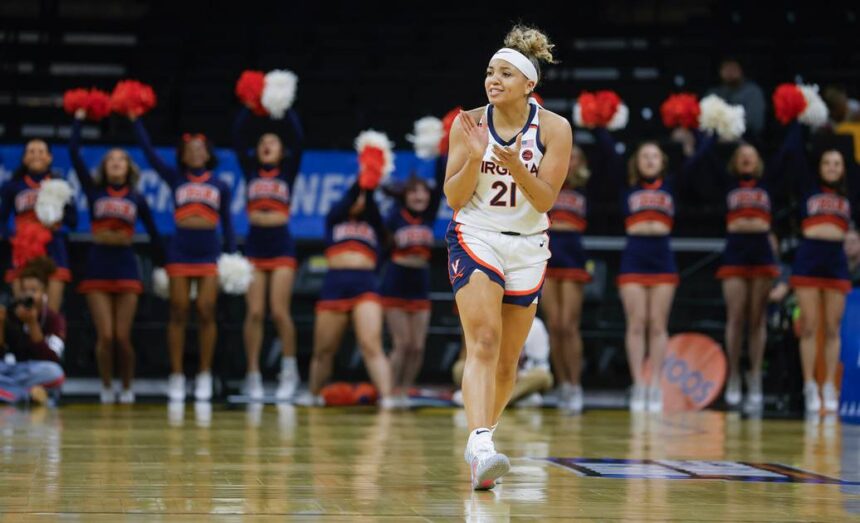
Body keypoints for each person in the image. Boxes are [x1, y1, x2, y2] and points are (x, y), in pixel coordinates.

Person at [444, 25, 571, 489]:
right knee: (483, 339)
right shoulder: (469, 123)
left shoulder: (555, 129)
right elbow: (454, 197)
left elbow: (544, 200)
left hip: (528, 244)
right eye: (489, 72)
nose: (492, 80)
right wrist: (476, 159)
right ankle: (481, 445)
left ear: (528, 84)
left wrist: (517, 166)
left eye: (504, 73)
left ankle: (482, 446)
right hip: (477, 234)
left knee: (507, 361)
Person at [129, 115, 237, 402]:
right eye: (190, 148)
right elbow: (149, 154)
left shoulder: (220, 184)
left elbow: (227, 222)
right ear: (183, 154)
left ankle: (203, 374)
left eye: (201, 147)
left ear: (208, 153)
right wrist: (135, 121)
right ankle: (176, 375)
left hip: (209, 250)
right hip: (180, 249)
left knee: (205, 309)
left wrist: (232, 253)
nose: (195, 151)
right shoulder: (175, 177)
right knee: (177, 311)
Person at [70, 110, 164, 404]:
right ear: (104, 166)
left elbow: (154, 234)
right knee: (106, 337)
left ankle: (127, 387)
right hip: (98, 266)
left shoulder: (137, 198)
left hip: (125, 265)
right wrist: (80, 119)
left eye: (121, 159)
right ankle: (106, 386)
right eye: (111, 159)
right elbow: (73, 153)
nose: (115, 163)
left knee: (123, 338)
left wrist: (164, 263)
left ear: (128, 168)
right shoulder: (94, 191)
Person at [595, 128, 677, 414]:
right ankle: (639, 384)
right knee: (637, 323)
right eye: (645, 156)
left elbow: (698, 162)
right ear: (637, 162)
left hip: (662, 258)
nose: (650, 160)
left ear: (663, 161)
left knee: (657, 324)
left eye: (655, 156)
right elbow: (607, 151)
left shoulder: (670, 186)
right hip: (634, 257)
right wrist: (598, 125)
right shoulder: (627, 187)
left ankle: (655, 384)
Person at [300, 178, 394, 407]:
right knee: (323, 349)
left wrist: (368, 193)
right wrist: (364, 177)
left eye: (364, 199)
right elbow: (348, 200)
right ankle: (313, 395)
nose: (359, 202)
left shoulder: (373, 224)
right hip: (335, 285)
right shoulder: (334, 218)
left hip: (365, 285)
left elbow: (373, 212)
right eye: (356, 198)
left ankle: (388, 399)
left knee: (371, 345)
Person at [232, 104, 304, 401]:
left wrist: (284, 107)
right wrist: (250, 107)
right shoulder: (250, 171)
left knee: (278, 311)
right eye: (262, 143)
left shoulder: (287, 171)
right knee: (255, 312)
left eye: (272, 142)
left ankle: (289, 371)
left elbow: (299, 138)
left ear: (281, 151)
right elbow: (237, 136)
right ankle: (253, 375)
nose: (266, 145)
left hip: (281, 243)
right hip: (255, 243)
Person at [786, 132, 857, 413]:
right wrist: (798, 121)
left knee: (831, 328)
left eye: (837, 164)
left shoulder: (851, 195)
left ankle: (829, 384)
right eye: (827, 163)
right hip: (809, 259)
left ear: (843, 169)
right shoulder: (808, 189)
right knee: (810, 326)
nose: (831, 168)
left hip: (836, 262)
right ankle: (809, 386)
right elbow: (794, 152)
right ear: (819, 167)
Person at [379, 159, 446, 407]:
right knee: (402, 343)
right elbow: (382, 248)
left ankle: (404, 391)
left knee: (417, 346)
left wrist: (442, 153)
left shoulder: (428, 216)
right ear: (405, 195)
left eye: (423, 192)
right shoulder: (394, 217)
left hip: (420, 281)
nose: (420, 196)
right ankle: (388, 391)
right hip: (396, 280)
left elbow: (441, 187)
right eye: (414, 191)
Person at [541, 145, 590, 412]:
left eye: (575, 158)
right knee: (555, 325)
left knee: (569, 326)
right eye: (566, 156)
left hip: (572, 254)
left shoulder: (584, 189)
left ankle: (575, 383)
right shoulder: (544, 182)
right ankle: (563, 384)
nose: (570, 162)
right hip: (546, 253)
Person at [0, 140, 77, 312]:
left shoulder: (62, 185)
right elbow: (2, 220)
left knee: (50, 314)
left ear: (49, 157)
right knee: (24, 312)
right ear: (24, 158)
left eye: (41, 151)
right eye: (31, 151)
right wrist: (12, 235)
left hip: (53, 249)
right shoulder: (13, 186)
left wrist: (56, 224)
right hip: (24, 250)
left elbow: (73, 221)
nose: (36, 155)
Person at [0, 257, 66, 404]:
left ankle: (10, 395)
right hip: (10, 369)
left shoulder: (53, 319)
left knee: (55, 373)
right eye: (24, 291)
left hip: (35, 371)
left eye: (33, 290)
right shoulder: (10, 312)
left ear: (44, 291)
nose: (28, 296)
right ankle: (27, 396)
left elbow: (53, 359)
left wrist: (33, 324)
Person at [452, 317, 554, 407]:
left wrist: (513, 373)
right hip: (488, 375)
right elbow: (468, 359)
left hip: (522, 376)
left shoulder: (536, 325)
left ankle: (485, 400)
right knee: (459, 369)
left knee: (544, 377)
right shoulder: (485, 321)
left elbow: (541, 366)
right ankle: (516, 398)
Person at [706, 58, 766, 140]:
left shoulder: (753, 91)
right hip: (715, 141)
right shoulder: (714, 93)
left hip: (746, 140)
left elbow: (755, 124)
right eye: (726, 68)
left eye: (733, 68)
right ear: (720, 72)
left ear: (741, 70)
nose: (729, 72)